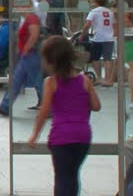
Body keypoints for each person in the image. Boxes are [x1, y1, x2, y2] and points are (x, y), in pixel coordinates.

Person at [28, 36, 101, 196]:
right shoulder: (84, 80)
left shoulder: (51, 82)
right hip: (83, 136)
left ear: (50, 61)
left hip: (61, 138)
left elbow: (44, 111)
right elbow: (96, 106)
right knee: (73, 176)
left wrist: (34, 134)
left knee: (61, 179)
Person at [0, 0, 48, 117]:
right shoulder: (28, 15)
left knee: (37, 81)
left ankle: (50, 106)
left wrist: (26, 48)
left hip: (31, 52)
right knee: (17, 80)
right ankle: (5, 106)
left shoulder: (35, 14)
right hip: (26, 52)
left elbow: (34, 34)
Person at [82, 0, 115, 87]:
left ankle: (100, 78)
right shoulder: (110, 12)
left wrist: (82, 34)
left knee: (95, 58)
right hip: (109, 38)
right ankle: (107, 80)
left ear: (96, 2)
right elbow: (114, 24)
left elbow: (87, 24)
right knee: (107, 59)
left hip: (98, 38)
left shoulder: (94, 11)